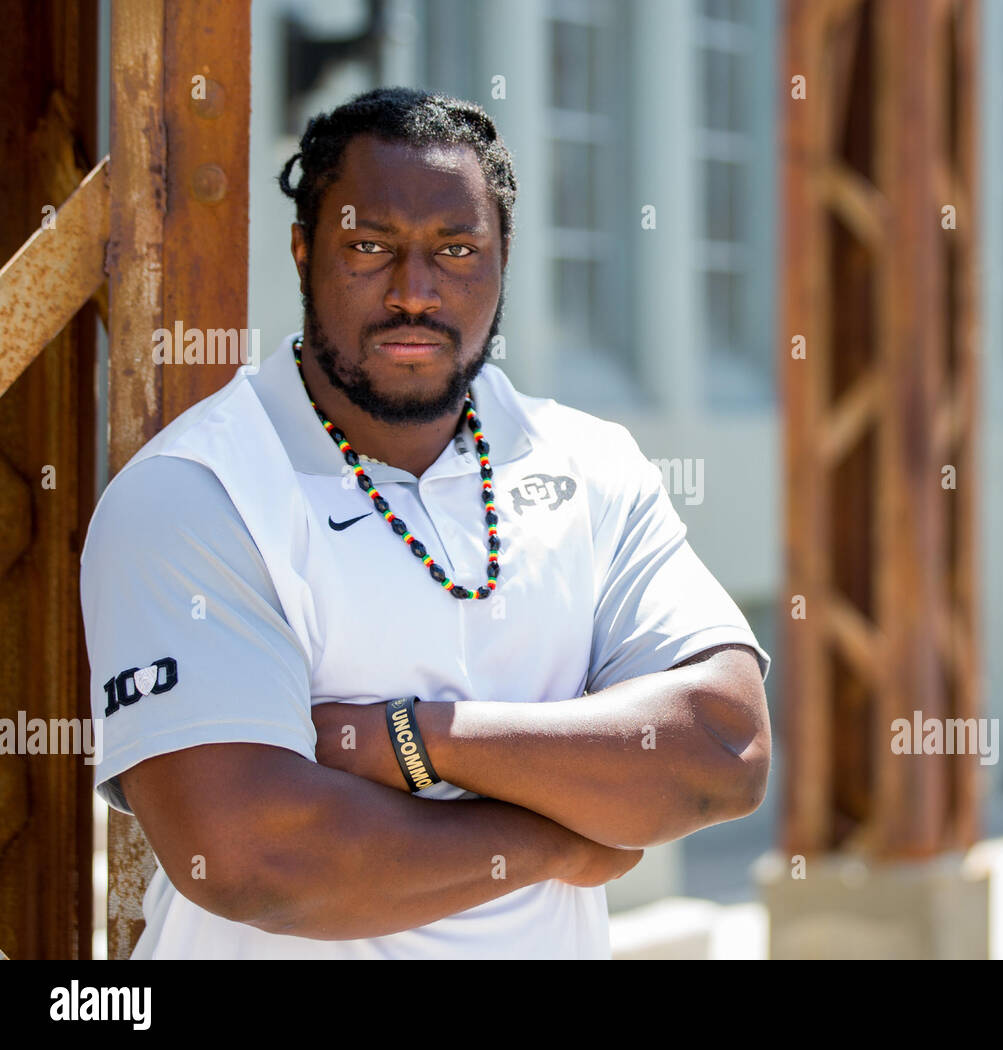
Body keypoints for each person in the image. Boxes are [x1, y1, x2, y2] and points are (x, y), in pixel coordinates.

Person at [80, 88, 771, 959]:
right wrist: (559, 837)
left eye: (455, 250)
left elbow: (720, 747)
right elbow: (248, 856)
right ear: (303, 252)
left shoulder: (593, 469)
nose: (414, 293)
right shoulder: (197, 494)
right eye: (369, 247)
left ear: (501, 258)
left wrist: (399, 740)